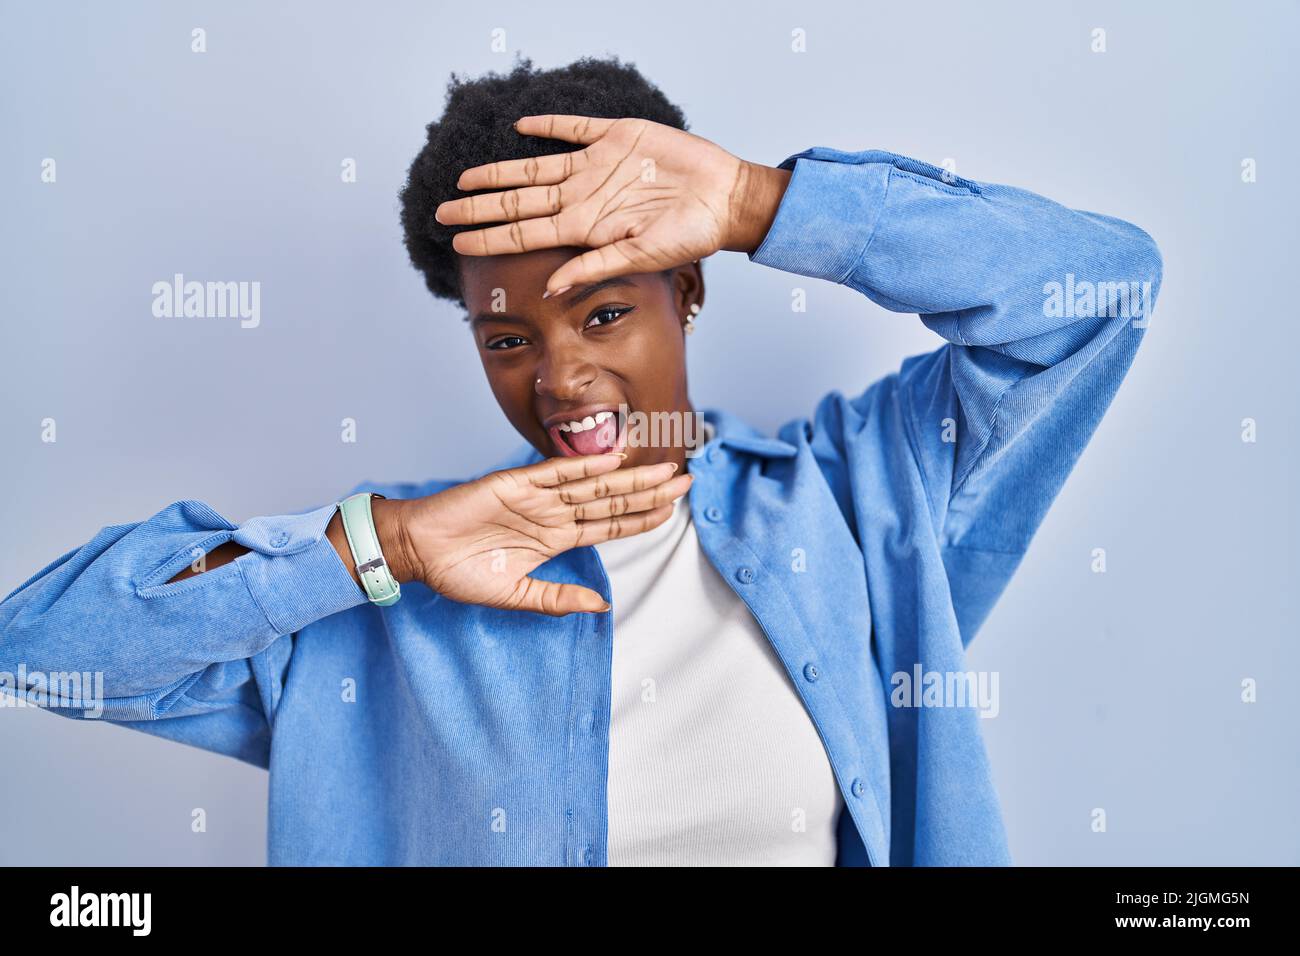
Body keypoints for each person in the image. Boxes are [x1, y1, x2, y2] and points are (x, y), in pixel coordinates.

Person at [0, 55, 1162, 866]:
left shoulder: (863, 501)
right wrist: (383, 543)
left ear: (689, 287)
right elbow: (38, 649)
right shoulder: (380, 590)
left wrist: (764, 202)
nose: (558, 377)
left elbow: (1096, 296)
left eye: (603, 314)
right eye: (508, 338)